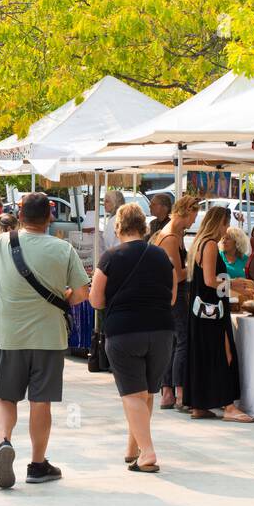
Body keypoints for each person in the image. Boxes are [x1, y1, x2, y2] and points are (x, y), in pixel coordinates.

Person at [0, 192, 91, 489]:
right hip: (49, 338)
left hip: (10, 336)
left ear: (20, 216)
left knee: (6, 396)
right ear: (49, 218)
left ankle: (4, 442)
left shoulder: (1, 243)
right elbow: (83, 292)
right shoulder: (62, 249)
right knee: (40, 402)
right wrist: (64, 298)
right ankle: (37, 464)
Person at [89, 202, 175, 472]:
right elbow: (171, 297)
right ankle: (133, 447)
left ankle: (147, 452)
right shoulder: (163, 256)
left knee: (131, 394)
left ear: (118, 227)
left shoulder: (110, 257)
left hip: (124, 331)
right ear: (144, 226)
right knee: (147, 393)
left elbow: (95, 300)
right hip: (162, 330)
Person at [185, 205, 253, 422]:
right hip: (213, 309)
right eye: (227, 223)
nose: (228, 228)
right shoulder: (211, 245)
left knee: (203, 354)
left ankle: (199, 404)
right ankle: (229, 406)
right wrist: (235, 285)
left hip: (201, 311)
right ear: (220, 223)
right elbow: (209, 280)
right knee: (224, 354)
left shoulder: (199, 243)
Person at [156, 195, 198, 411]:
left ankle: (168, 392)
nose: (194, 221)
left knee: (173, 342)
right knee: (182, 340)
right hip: (173, 294)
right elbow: (178, 275)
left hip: (170, 294)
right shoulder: (170, 237)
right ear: (187, 212)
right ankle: (178, 391)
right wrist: (195, 264)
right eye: (194, 215)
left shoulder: (175, 234)